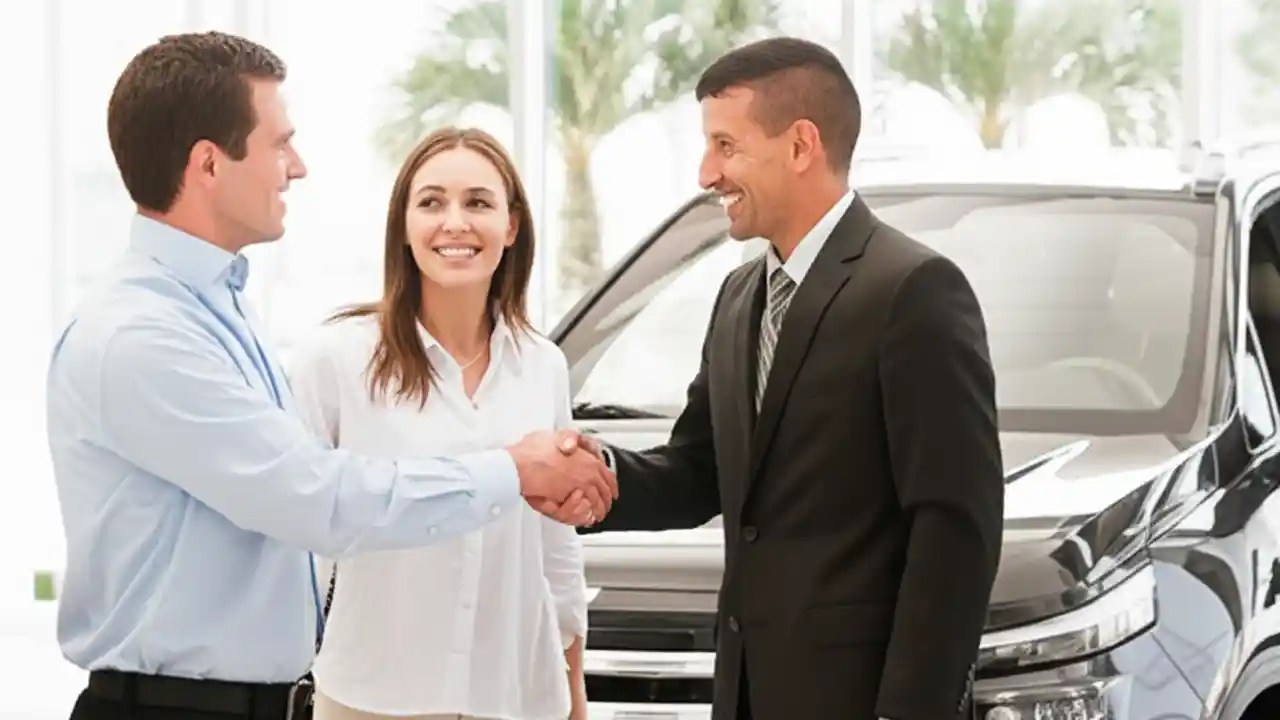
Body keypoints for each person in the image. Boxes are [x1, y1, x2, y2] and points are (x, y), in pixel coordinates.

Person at [46, 31, 613, 720]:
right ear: (208, 165)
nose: (298, 167)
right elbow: (315, 500)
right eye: (279, 143)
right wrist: (513, 470)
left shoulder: (219, 307)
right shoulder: (144, 336)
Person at [572, 37, 1004, 720]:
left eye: (725, 145)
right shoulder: (740, 297)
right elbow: (700, 471)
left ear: (801, 146)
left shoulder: (914, 291)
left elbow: (955, 528)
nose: (706, 173)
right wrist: (594, 478)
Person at [286, 127, 589, 720]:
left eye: (478, 202)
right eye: (431, 202)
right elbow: (299, 532)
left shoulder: (542, 365)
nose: (455, 222)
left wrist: (573, 689)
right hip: (373, 698)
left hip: (518, 699)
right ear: (403, 224)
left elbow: (556, 550)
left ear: (512, 225)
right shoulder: (338, 359)